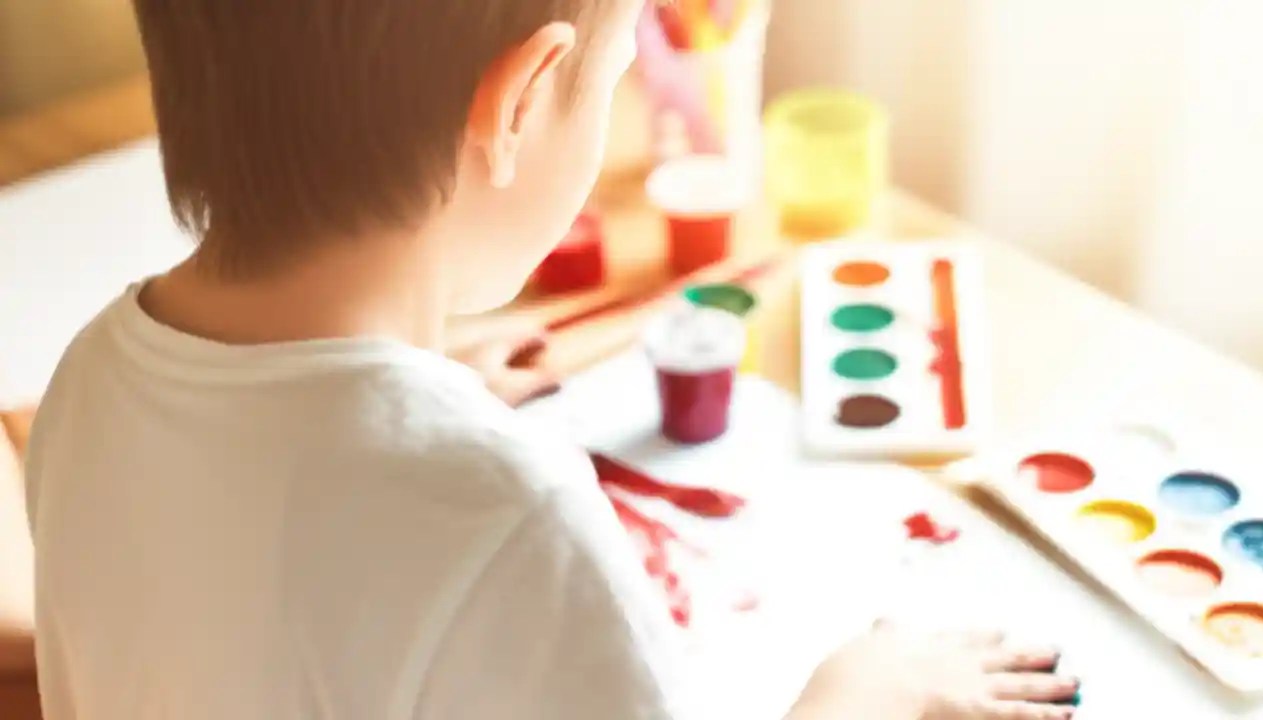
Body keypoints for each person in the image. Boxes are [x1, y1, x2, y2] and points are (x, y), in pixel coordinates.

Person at [24, 0, 1079, 718]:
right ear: (521, 101)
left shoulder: (86, 385)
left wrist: (405, 394)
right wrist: (852, 696)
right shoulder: (501, 509)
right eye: (617, 76)